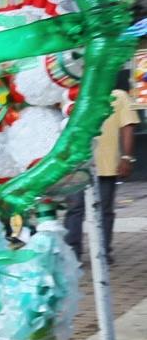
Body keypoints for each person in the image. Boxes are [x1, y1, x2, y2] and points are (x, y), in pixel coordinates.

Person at [66, 69, 138, 265]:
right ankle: (72, 255)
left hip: (106, 166)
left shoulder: (118, 96)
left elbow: (128, 126)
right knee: (75, 209)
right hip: (76, 166)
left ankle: (103, 253)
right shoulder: (73, 95)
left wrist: (126, 157)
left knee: (104, 211)